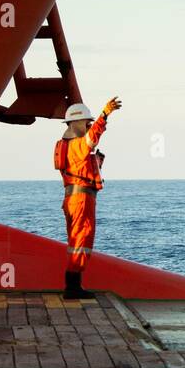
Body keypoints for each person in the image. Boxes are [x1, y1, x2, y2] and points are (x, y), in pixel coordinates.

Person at [54, 97, 122, 299]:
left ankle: (73, 285)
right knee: (81, 239)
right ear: (76, 123)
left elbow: (81, 167)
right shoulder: (77, 146)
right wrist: (105, 115)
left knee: (77, 241)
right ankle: (72, 287)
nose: (88, 126)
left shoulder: (68, 146)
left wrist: (96, 163)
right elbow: (92, 138)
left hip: (75, 199)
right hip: (81, 200)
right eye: (86, 122)